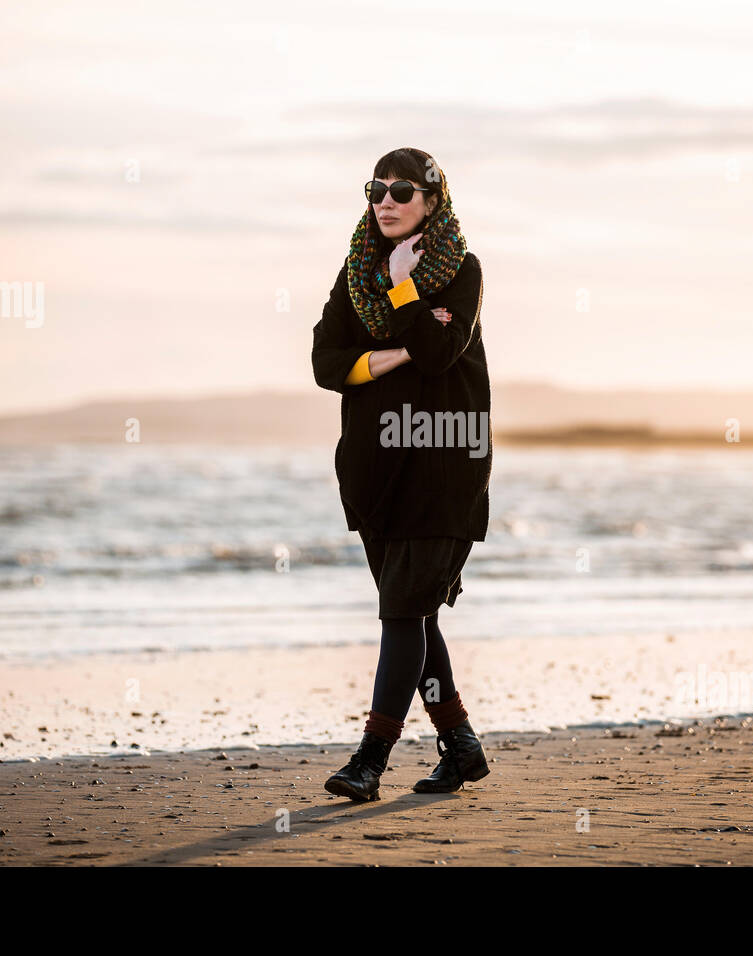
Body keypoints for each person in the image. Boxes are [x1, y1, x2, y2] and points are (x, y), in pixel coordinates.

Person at [310, 147, 492, 801]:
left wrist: (407, 288)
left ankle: (370, 761)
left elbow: (441, 352)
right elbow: (326, 362)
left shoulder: (461, 272)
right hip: (374, 476)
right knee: (414, 616)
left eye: (402, 189)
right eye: (376, 188)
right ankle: (462, 746)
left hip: (444, 471)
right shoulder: (356, 273)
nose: (385, 199)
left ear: (433, 201)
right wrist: (390, 355)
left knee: (401, 617)